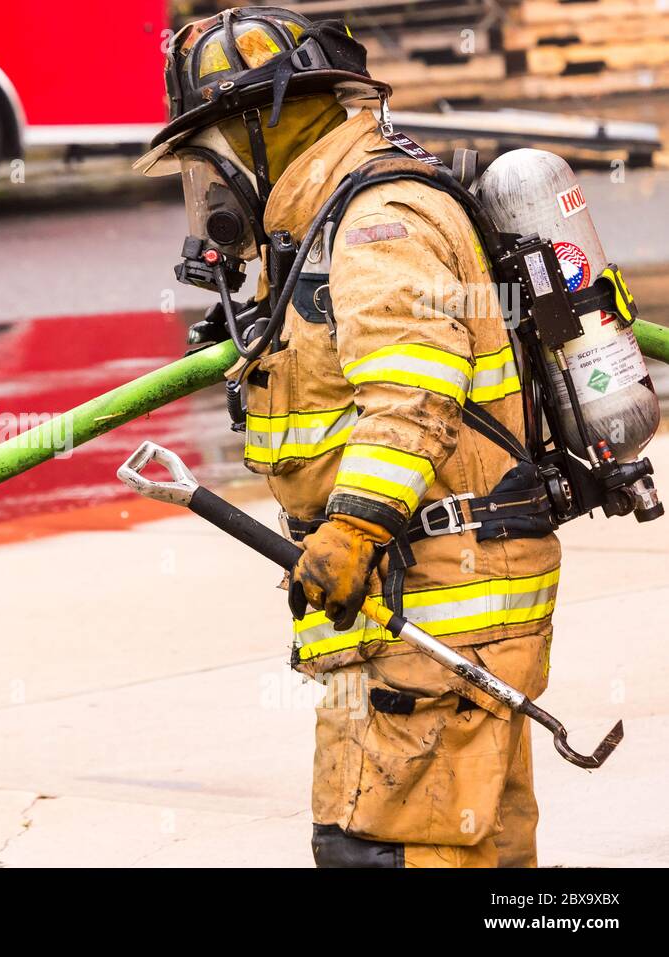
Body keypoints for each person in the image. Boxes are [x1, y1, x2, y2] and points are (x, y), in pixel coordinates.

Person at [136, 6, 560, 867]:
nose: (208, 187)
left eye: (208, 155)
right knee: (450, 847)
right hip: (394, 611)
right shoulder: (326, 220)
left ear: (265, 126)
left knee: (396, 852)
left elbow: (413, 391)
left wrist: (356, 526)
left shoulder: (376, 224)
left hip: (436, 605)